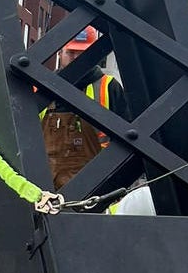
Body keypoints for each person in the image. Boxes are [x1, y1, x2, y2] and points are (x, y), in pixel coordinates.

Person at [41, 26, 128, 189]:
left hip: (93, 188)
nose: (76, 58)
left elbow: (127, 140)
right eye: (71, 52)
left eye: (82, 53)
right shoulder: (41, 88)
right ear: (61, 52)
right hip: (46, 191)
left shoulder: (109, 87)